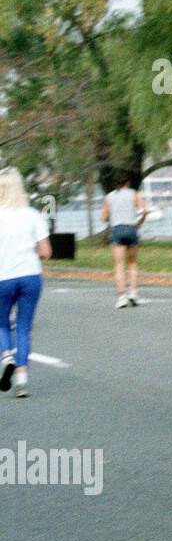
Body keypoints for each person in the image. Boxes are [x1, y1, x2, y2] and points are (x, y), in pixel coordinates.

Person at [0, 168, 51, 399]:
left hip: (2, 277)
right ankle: (22, 381)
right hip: (30, 275)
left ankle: (6, 356)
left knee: (1, 324)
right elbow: (46, 252)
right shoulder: (33, 215)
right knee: (23, 326)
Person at [101, 173, 147, 309]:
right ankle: (133, 292)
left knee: (119, 264)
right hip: (131, 228)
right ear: (127, 182)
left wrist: (112, 221)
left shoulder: (109, 197)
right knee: (132, 263)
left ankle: (121, 296)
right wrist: (139, 223)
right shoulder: (134, 194)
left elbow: (103, 217)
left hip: (117, 229)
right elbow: (145, 211)